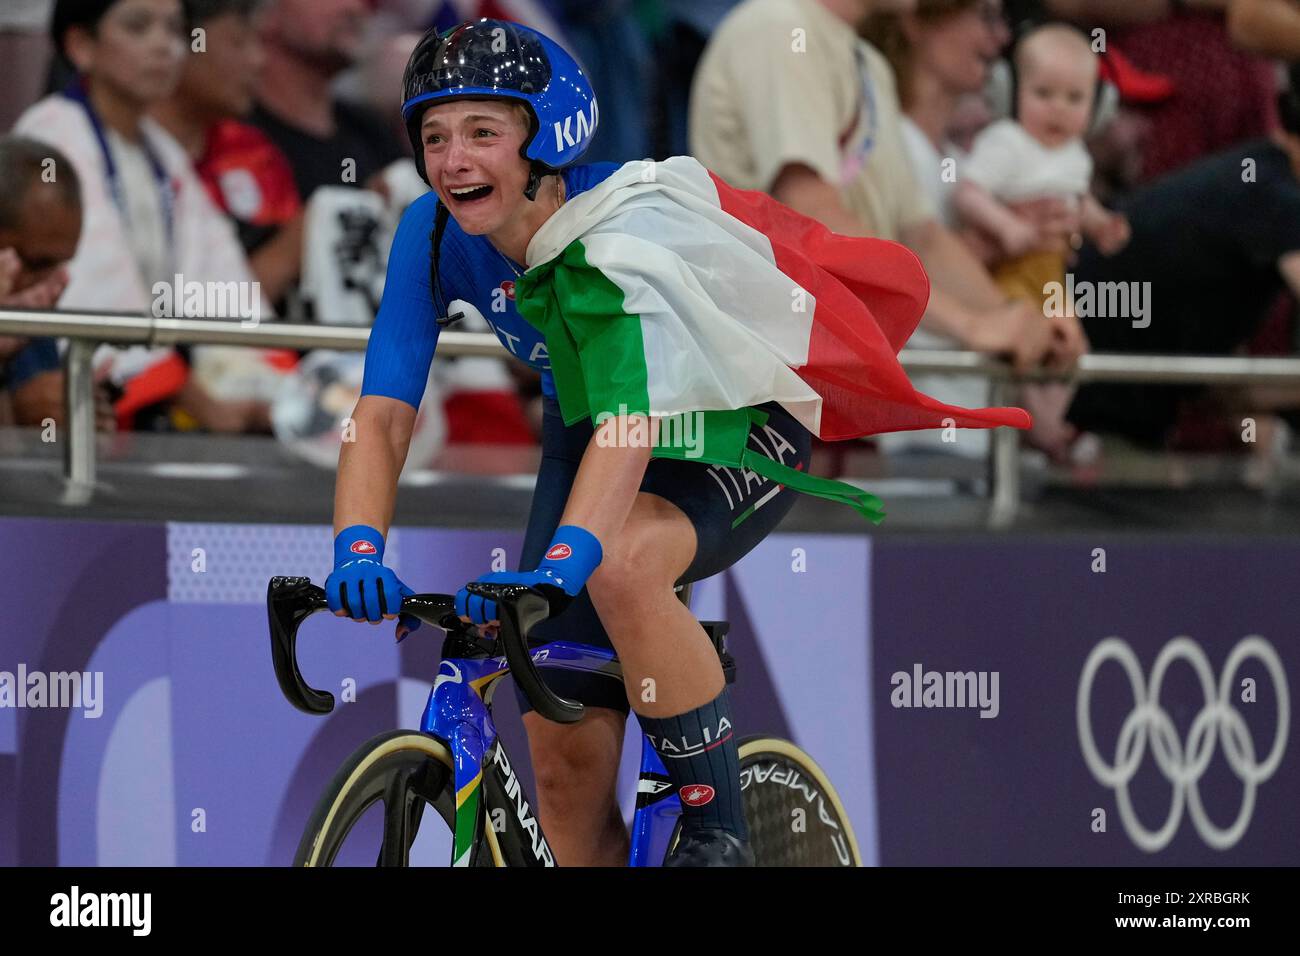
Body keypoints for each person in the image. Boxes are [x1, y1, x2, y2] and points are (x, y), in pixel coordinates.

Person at [325, 19, 1031, 866]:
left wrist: (562, 564)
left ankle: (717, 832)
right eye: (434, 136)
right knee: (565, 783)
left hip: (739, 421)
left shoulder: (615, 238)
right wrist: (357, 544)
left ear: (546, 138)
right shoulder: (432, 233)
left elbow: (633, 427)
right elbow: (385, 411)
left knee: (619, 560)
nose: (452, 161)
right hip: (595, 423)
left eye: (483, 131)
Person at [688, 0, 1087, 467]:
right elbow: (810, 209)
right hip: (756, 404)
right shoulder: (779, 27)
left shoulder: (867, 62)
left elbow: (922, 236)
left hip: (817, 403)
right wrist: (973, 325)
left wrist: (1017, 319)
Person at [14, 0, 278, 433]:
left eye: (175, 29)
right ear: (81, 45)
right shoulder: (52, 133)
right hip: (54, 400)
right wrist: (201, 402)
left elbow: (220, 286)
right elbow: (97, 292)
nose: (165, 46)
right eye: (138, 27)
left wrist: (266, 382)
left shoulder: (162, 153)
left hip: (151, 406)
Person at [954, 25, 1130, 308]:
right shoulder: (1007, 141)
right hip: (1006, 269)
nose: (1058, 108)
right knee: (1022, 323)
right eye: (1043, 93)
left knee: (1066, 338)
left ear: (1097, 108)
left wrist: (1100, 225)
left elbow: (1078, 201)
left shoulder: (1076, 154)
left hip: (1052, 275)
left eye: (1074, 98)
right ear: (1010, 92)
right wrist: (1007, 227)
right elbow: (968, 193)